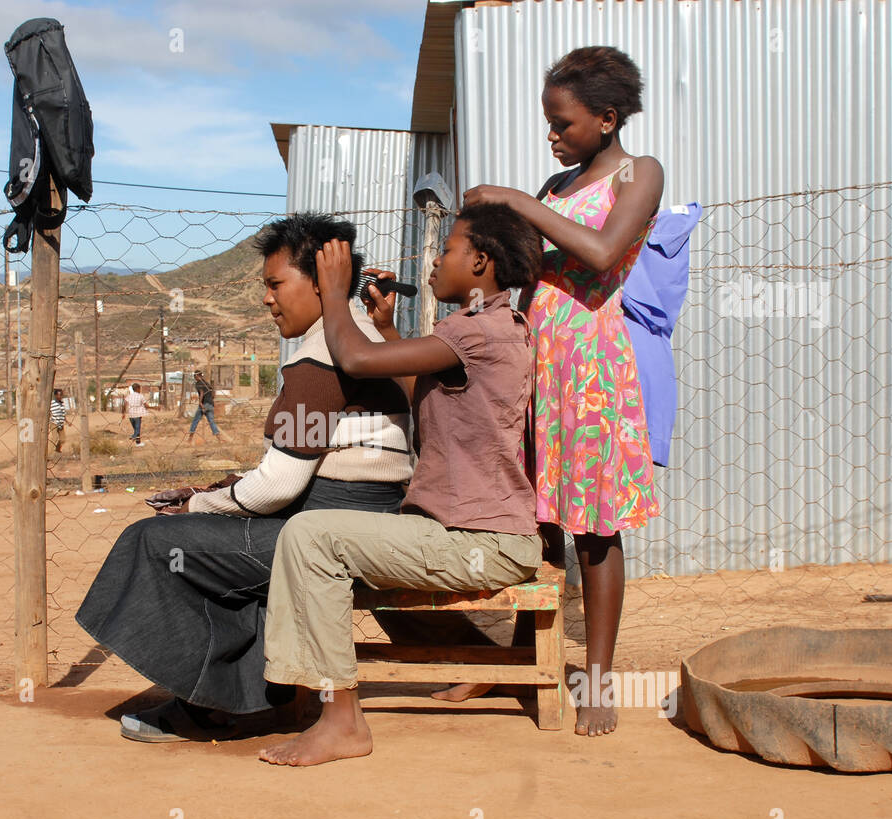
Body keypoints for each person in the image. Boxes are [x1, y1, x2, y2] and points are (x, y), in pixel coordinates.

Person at [75, 213, 413, 743]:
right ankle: (263, 699)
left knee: (154, 542)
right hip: (369, 522)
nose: (267, 298)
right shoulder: (370, 340)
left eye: (276, 284)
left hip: (327, 534)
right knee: (222, 543)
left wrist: (198, 507)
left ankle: (215, 706)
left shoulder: (320, 359)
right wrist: (220, 496)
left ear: (323, 281)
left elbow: (278, 487)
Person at [256, 202, 546, 767]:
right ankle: (470, 665)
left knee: (310, 537)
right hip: (479, 533)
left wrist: (336, 295)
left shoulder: (478, 330)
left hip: (480, 540)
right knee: (358, 538)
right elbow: (425, 394)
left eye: (447, 250)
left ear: (481, 261)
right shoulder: (489, 330)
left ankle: (340, 721)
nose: (433, 263)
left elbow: (358, 358)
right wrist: (386, 324)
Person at [460, 46, 665, 736]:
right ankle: (524, 658)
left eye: (563, 124)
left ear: (607, 119)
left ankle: (599, 678)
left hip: (592, 372)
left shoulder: (640, 174)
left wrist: (517, 200)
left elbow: (603, 253)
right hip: (538, 361)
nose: (552, 136)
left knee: (594, 529)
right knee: (534, 516)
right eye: (548, 124)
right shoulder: (555, 187)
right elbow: (529, 271)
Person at [186, 370, 223, 443]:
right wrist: (210, 401)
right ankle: (219, 439)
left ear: (197, 376)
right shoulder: (207, 383)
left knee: (195, 421)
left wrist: (200, 403)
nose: (194, 378)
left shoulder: (198, 384)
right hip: (210, 404)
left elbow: (202, 393)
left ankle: (190, 439)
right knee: (211, 422)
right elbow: (213, 394)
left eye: (194, 376)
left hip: (204, 404)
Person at [50, 388, 67, 453]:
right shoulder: (52, 403)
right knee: (55, 438)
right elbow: (49, 411)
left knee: (63, 439)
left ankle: (57, 450)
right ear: (55, 395)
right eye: (59, 395)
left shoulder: (62, 403)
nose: (60, 396)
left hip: (61, 423)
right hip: (54, 422)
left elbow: (63, 413)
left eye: (61, 395)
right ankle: (50, 452)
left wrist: (67, 422)